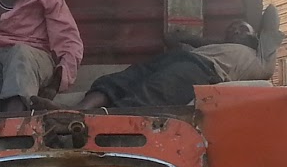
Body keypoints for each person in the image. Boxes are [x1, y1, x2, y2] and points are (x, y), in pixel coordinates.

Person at [52, 19, 273, 112]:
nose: (235, 30)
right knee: (123, 79)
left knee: (148, 95)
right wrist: (211, 42)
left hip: (201, 71)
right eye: (232, 28)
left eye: (243, 28)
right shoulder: (214, 46)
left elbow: (272, 16)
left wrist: (253, 38)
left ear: (256, 37)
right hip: (176, 58)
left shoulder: (257, 58)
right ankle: (78, 112)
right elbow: (170, 37)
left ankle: (97, 124)